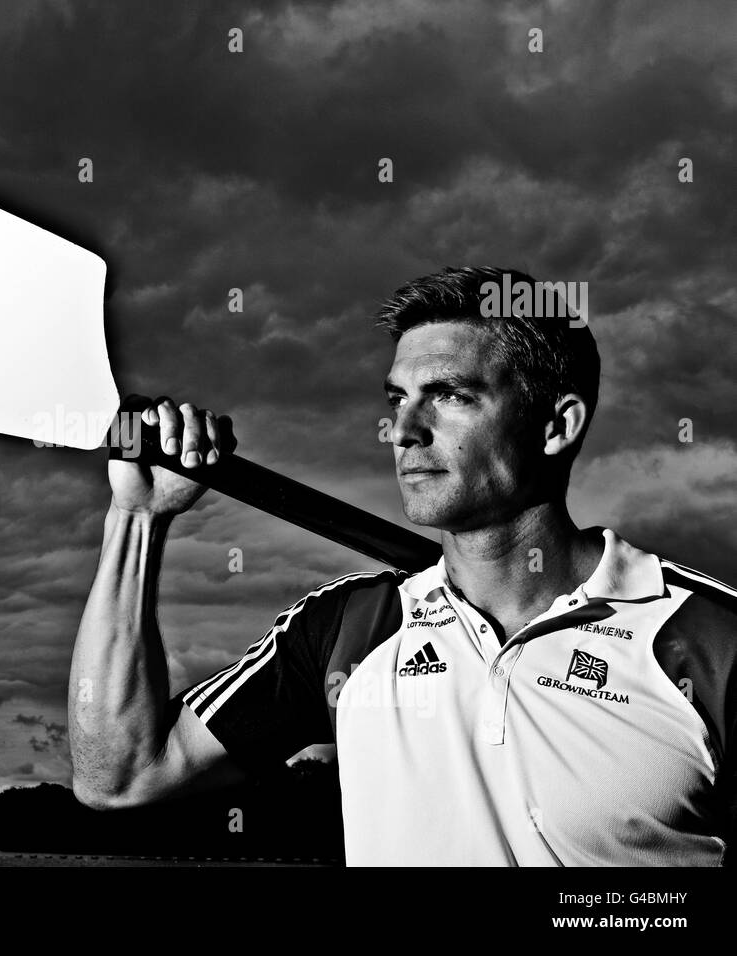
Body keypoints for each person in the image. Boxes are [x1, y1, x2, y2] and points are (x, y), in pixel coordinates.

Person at [68, 266, 735, 866]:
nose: (404, 430)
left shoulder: (710, 639)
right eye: (396, 399)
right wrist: (136, 519)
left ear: (556, 426)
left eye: (449, 395)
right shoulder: (350, 629)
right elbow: (120, 776)